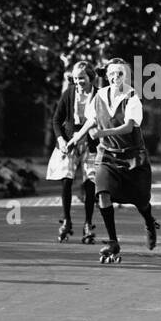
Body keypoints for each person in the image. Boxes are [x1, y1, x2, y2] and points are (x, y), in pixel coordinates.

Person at [66, 57, 157, 264]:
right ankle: (113, 241)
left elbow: (129, 126)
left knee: (141, 199)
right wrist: (74, 140)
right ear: (106, 76)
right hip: (106, 153)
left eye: (120, 74)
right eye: (112, 74)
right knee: (102, 192)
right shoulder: (99, 96)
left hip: (132, 155)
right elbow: (91, 121)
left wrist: (103, 132)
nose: (116, 77)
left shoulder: (132, 97)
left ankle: (149, 222)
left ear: (126, 75)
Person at [47, 61, 99, 243]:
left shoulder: (99, 95)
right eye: (75, 79)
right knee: (66, 180)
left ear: (91, 78)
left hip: (91, 142)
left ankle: (88, 223)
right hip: (69, 141)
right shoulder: (69, 94)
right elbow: (56, 120)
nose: (78, 82)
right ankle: (66, 220)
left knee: (90, 182)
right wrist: (61, 140)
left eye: (82, 78)